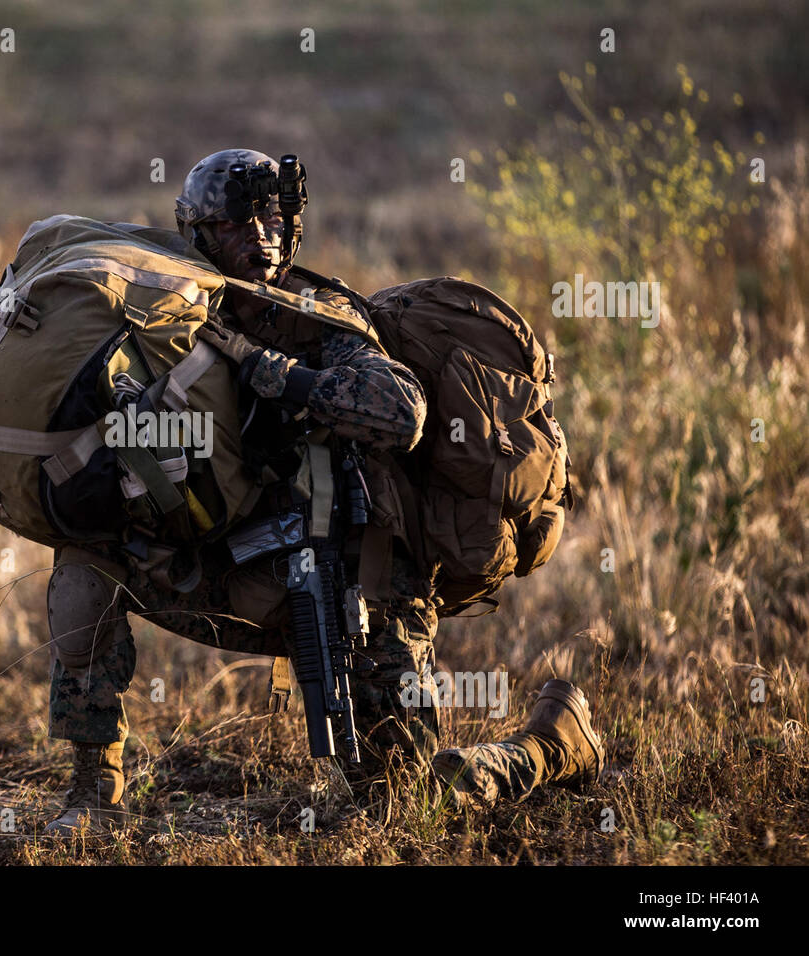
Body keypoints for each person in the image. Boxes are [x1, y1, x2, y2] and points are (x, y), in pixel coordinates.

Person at [43, 149, 602, 834]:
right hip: (227, 565)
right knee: (83, 565)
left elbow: (401, 410)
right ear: (196, 232)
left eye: (273, 220)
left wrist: (271, 373)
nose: (259, 240)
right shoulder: (168, 312)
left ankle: (550, 747)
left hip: (356, 585)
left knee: (403, 801)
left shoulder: (314, 313)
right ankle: (95, 785)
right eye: (235, 226)